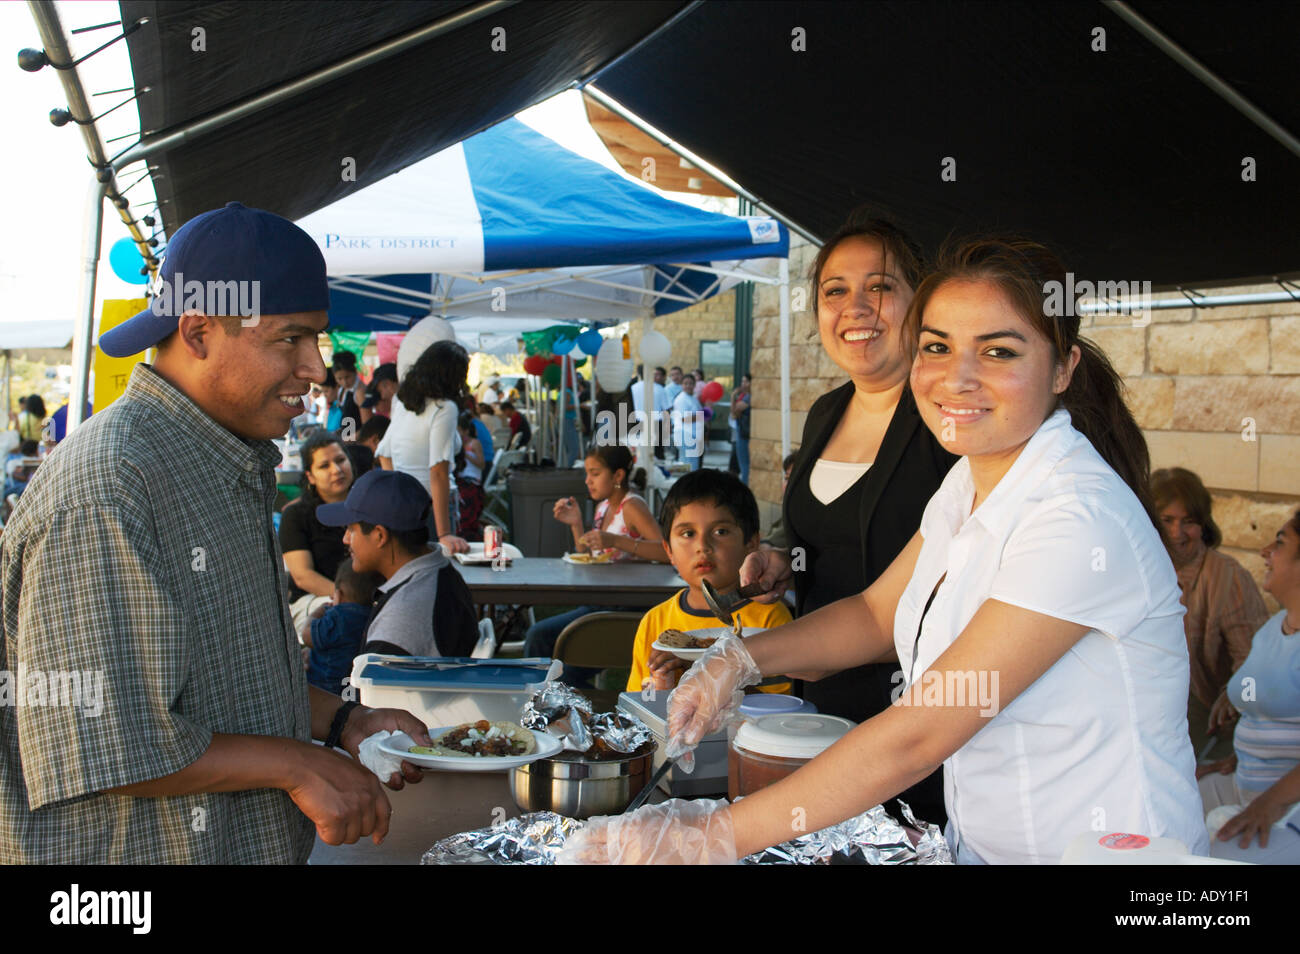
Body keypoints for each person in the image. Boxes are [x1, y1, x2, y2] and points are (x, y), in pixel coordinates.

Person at [560, 235, 1209, 865]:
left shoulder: (1078, 517)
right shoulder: (969, 482)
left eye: (999, 351)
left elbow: (923, 732)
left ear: (1063, 366)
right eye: (938, 347)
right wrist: (737, 659)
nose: (958, 378)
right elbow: (875, 615)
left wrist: (711, 837)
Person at [0, 201, 430, 863]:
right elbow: (104, 740)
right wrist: (297, 766)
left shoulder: (220, 459)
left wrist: (345, 722)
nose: (317, 368)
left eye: (316, 338)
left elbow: (231, 681)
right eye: (290, 338)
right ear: (198, 332)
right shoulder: (108, 487)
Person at [734, 211, 956, 826]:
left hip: (919, 715)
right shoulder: (825, 412)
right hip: (821, 696)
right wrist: (782, 554)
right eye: (836, 291)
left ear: (921, 302)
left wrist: (745, 658)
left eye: (879, 286)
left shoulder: (949, 419)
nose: (855, 307)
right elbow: (817, 528)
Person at [628, 469, 794, 693]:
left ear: (751, 542)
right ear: (668, 550)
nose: (702, 546)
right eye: (687, 533)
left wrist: (706, 674)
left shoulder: (770, 619)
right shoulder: (655, 623)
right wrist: (661, 684)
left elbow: (782, 707)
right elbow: (640, 702)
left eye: (721, 531)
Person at [1197, 510, 1300, 863]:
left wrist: (1268, 806)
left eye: (1281, 543)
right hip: (1245, 784)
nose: (1265, 551)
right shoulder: (1275, 628)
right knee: (1162, 805)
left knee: (1214, 850)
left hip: (1285, 808)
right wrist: (1234, 756)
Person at [1152, 466, 1269, 761]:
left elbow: (1255, 661)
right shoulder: (1141, 567)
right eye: (1167, 520)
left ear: (1203, 525)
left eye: (1188, 522)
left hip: (1208, 719)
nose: (1177, 533)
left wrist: (1234, 693)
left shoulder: (1227, 577)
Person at [523, 445, 666, 672]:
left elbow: (666, 551)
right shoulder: (603, 507)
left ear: (618, 475)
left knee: (546, 647)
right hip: (598, 601)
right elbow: (594, 556)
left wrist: (618, 541)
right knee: (539, 636)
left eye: (595, 473)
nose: (588, 481)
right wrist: (576, 524)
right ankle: (547, 696)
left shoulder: (633, 507)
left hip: (622, 607)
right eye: (587, 474)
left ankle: (549, 698)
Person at [319, 469, 478, 658]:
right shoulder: (440, 571)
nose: (345, 539)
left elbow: (372, 688)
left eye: (351, 529)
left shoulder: (400, 621)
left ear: (380, 536)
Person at [375, 340, 471, 555]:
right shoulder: (444, 408)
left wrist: (398, 497)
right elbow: (438, 471)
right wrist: (444, 532)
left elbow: (384, 454)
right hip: (433, 509)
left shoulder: (402, 402)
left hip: (404, 507)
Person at [280, 432, 356, 633]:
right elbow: (303, 576)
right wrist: (350, 600)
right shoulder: (295, 515)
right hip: (314, 601)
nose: (337, 470)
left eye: (341, 460)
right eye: (324, 466)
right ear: (310, 477)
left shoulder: (367, 507)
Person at [302, 560, 381, 696]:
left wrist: (316, 613)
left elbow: (307, 635)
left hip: (323, 685)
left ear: (338, 594)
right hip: (351, 688)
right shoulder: (373, 615)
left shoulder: (337, 616)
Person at [455, 412, 486, 541]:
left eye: (459, 431)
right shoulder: (457, 446)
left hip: (472, 481)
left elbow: (481, 464)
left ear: (466, 431)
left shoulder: (474, 444)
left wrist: (465, 454)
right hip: (461, 479)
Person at [672, 374, 706, 471]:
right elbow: (684, 419)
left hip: (693, 435)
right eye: (685, 383)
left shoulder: (693, 398)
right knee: (688, 465)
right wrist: (702, 415)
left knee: (692, 464)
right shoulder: (681, 399)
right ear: (681, 385)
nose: (688, 386)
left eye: (691, 383)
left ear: (694, 385)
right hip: (685, 435)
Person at [330, 351, 365, 439]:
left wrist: (348, 439)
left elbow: (367, 427)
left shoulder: (360, 391)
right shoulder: (342, 390)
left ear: (355, 372)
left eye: (347, 377)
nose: (344, 382)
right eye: (339, 379)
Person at [729, 373, 752, 483]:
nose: (743, 384)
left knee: (744, 465)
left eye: (746, 381)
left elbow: (734, 412)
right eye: (742, 381)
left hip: (744, 434)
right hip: (742, 431)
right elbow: (734, 415)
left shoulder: (749, 397)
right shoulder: (744, 396)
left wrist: (733, 396)